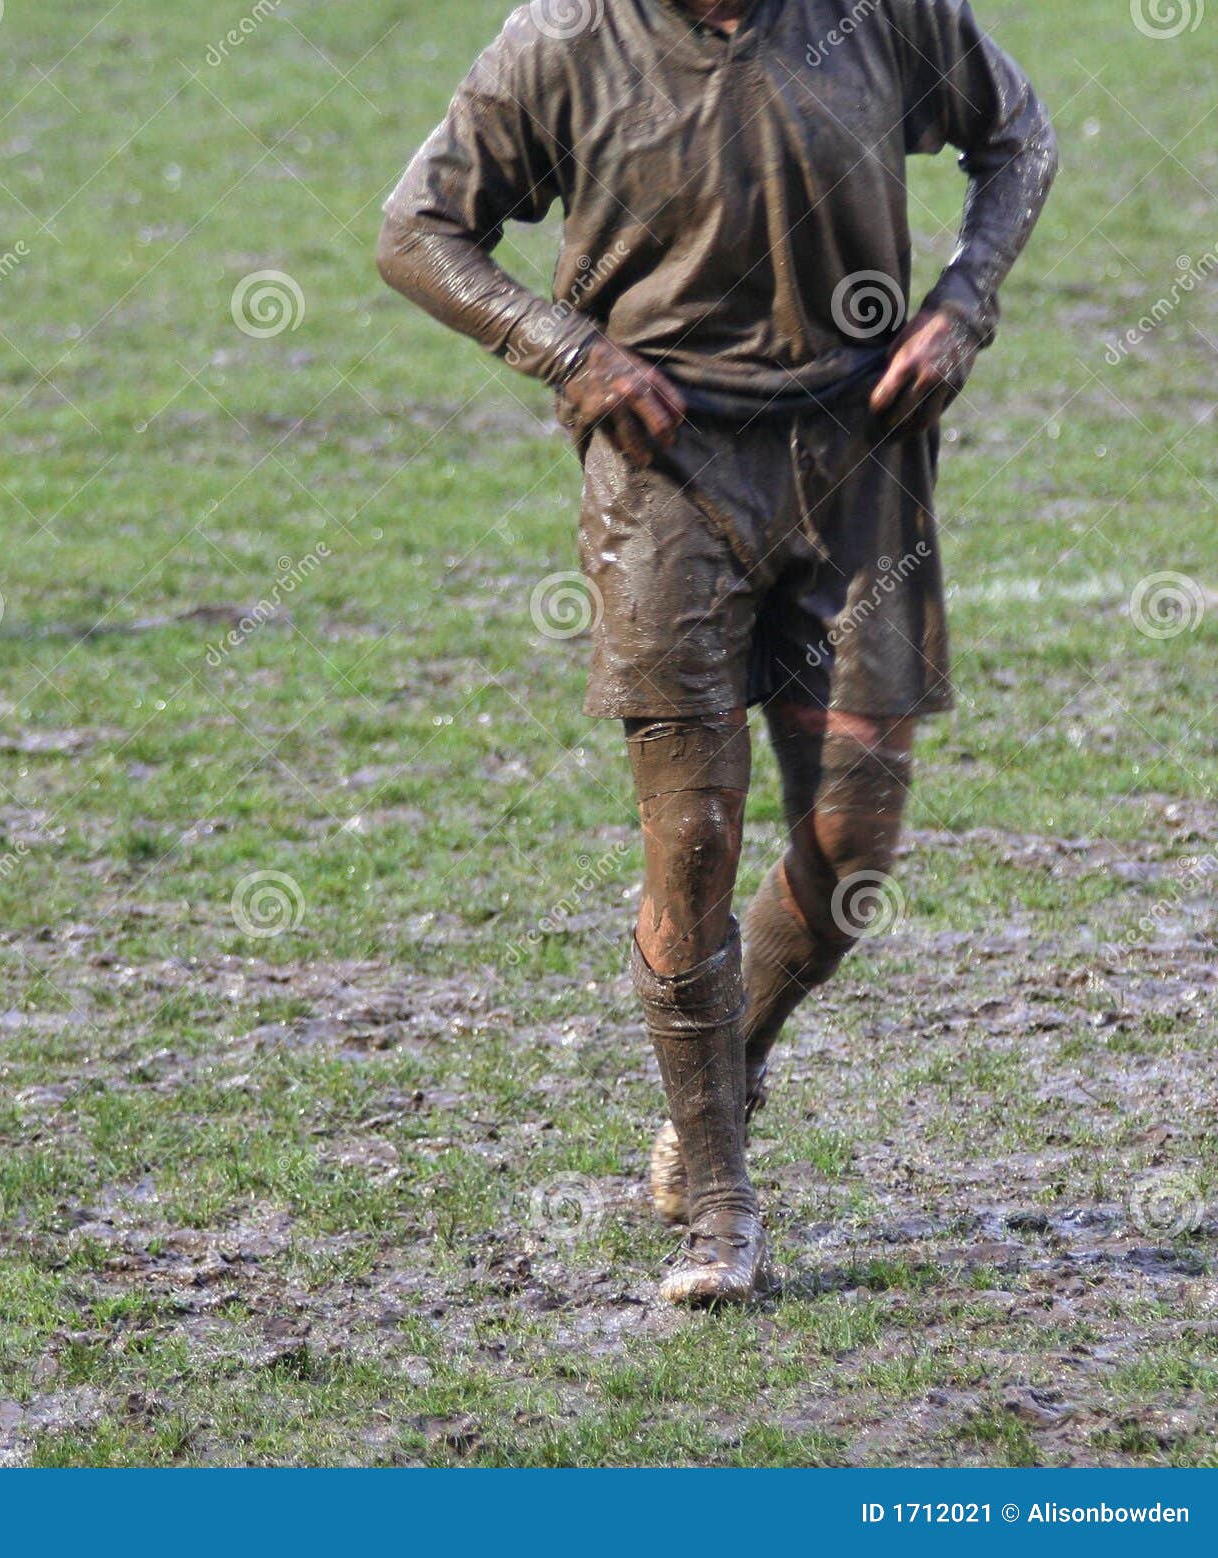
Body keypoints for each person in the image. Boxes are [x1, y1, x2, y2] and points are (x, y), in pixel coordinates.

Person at [376, 0, 1056, 1305]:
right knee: (693, 841)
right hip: (666, 478)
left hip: (859, 459)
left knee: (853, 857)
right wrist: (561, 346)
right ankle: (724, 1209)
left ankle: (716, 1082)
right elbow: (415, 228)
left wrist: (964, 306)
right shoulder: (561, 40)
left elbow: (1017, 138)